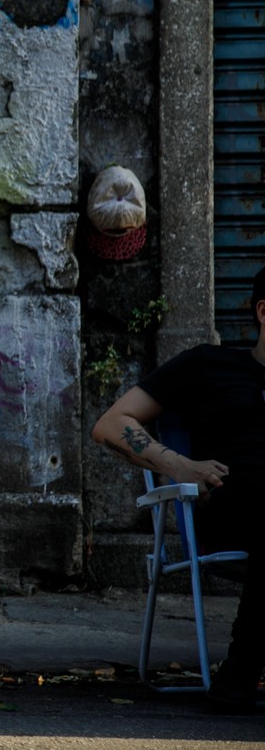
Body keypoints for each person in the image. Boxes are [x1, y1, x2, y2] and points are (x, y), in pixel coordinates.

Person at [91, 267, 265, 714]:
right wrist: (182, 466)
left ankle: (240, 674)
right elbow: (111, 423)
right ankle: (243, 669)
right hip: (233, 505)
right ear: (264, 311)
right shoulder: (210, 364)